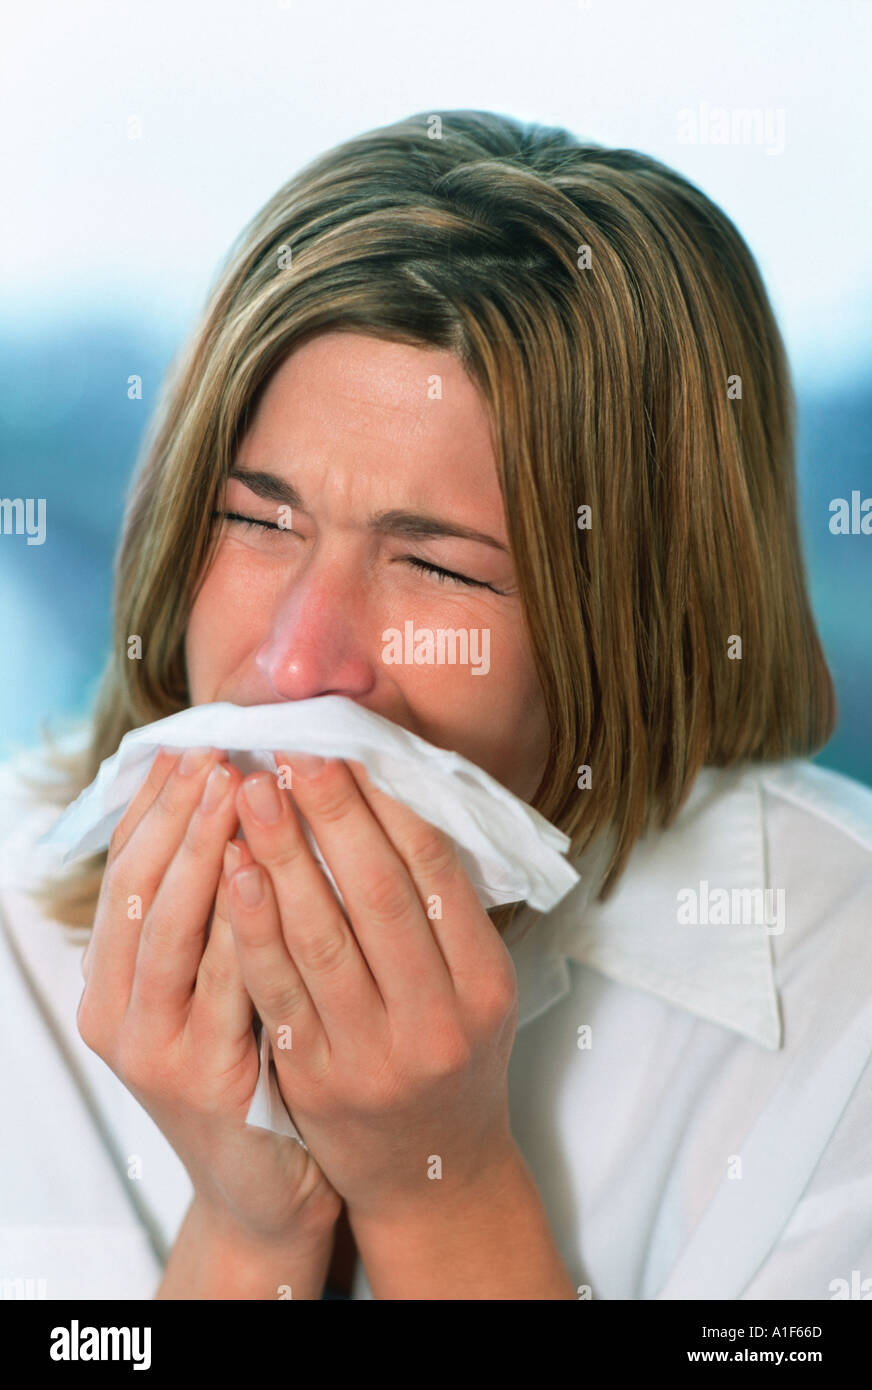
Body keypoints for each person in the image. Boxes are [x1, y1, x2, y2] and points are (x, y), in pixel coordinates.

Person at [1, 109, 870, 1302]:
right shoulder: (14, 942)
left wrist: (440, 1195)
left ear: (637, 609)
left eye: (440, 568)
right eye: (257, 520)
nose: (298, 667)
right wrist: (250, 1235)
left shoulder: (839, 992)